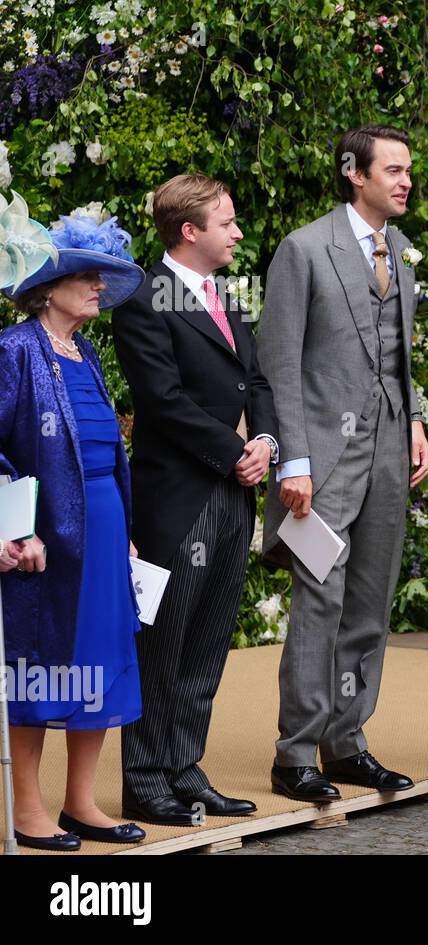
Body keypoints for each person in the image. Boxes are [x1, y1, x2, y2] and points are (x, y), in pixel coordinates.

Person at [259, 125, 428, 802]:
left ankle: (347, 741)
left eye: (408, 169)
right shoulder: (304, 249)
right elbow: (279, 364)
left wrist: (414, 419)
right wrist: (291, 460)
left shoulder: (403, 256)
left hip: (389, 449)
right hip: (323, 459)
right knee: (320, 602)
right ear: (355, 173)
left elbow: (399, 354)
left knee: (368, 601)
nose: (406, 180)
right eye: (393, 169)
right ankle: (294, 752)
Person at [112, 174, 279, 825]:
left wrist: (265, 438)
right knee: (164, 642)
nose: (238, 232)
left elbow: (255, 378)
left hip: (234, 498)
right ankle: (145, 778)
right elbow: (163, 399)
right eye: (227, 222)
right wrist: (234, 451)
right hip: (179, 499)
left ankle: (184, 766)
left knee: (208, 641)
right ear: (190, 230)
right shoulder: (143, 297)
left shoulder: (224, 295)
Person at [1, 205, 148, 849]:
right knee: (39, 667)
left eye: (102, 276)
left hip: (105, 529)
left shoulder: (84, 350)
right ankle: (28, 810)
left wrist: (127, 533)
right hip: (43, 538)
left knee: (102, 662)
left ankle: (81, 803)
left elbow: (105, 452)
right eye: (87, 275)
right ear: (47, 284)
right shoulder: (14, 349)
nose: (98, 286)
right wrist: (13, 528)